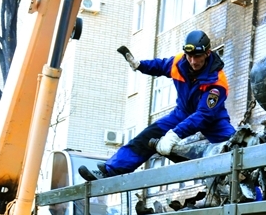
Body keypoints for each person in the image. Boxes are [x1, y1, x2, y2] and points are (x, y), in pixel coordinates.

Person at [80, 30, 235, 181]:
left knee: (236, 149)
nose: (193, 61)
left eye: (198, 56)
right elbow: (160, 66)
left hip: (212, 120)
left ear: (207, 53)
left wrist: (175, 134)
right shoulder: (179, 63)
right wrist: (140, 65)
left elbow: (204, 115)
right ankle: (110, 171)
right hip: (182, 113)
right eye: (190, 56)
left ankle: (255, 197)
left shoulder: (217, 82)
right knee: (146, 137)